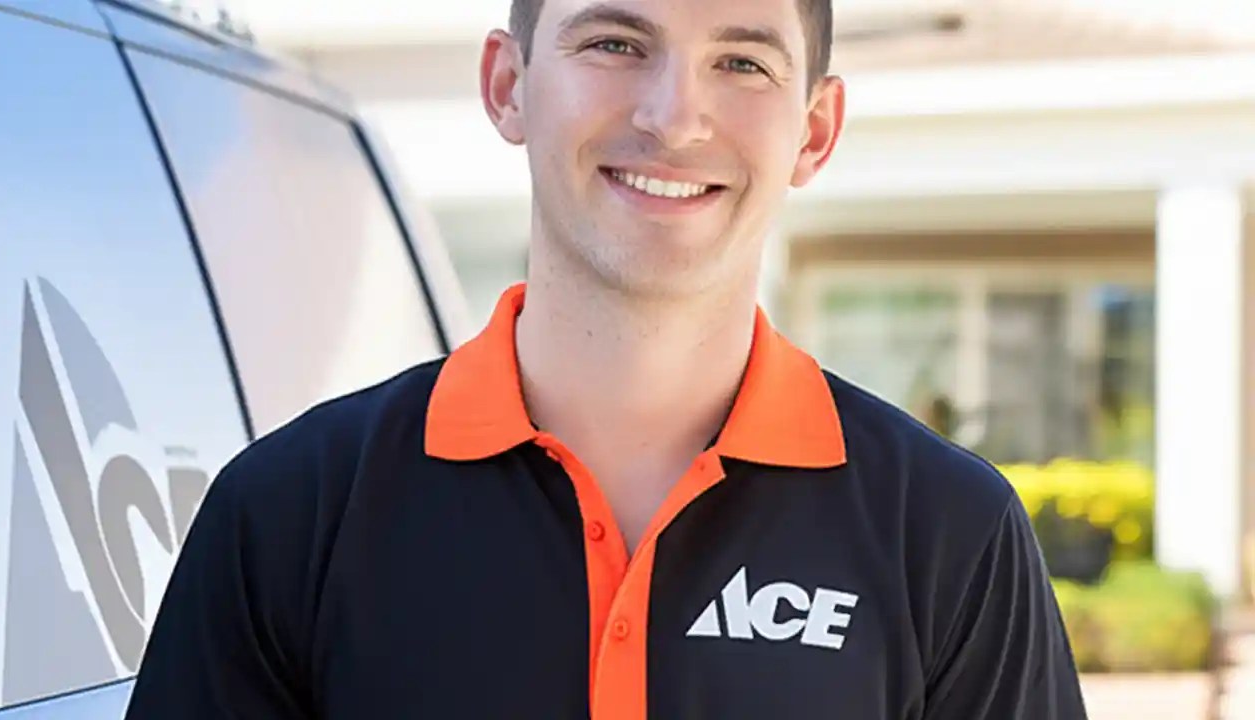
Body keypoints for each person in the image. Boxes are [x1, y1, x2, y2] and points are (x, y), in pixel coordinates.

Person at [125, 0, 1089, 717]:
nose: (675, 118)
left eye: (744, 63)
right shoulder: (292, 514)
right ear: (509, 86)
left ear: (817, 129)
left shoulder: (949, 534)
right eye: (616, 44)